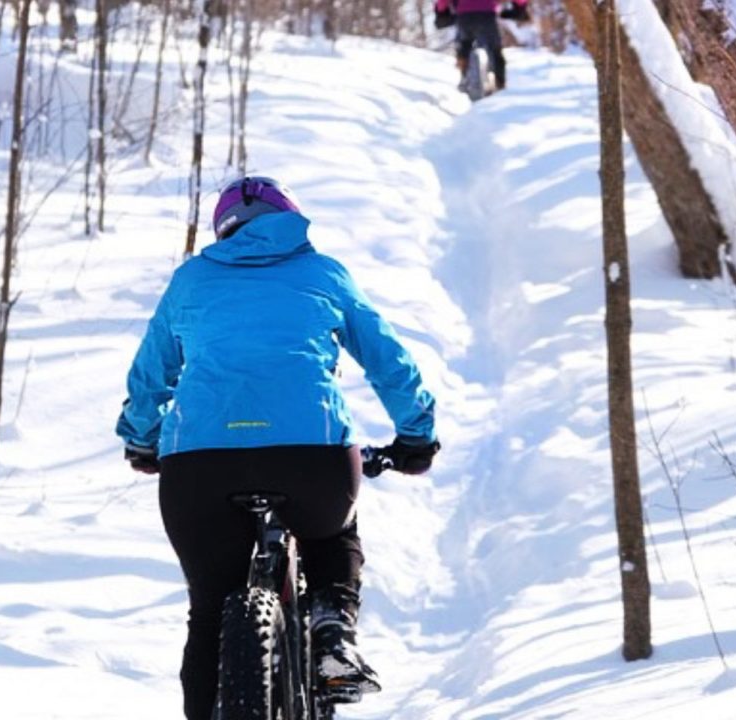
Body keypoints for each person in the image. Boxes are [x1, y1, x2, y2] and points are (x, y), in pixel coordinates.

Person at [115, 176, 441, 719]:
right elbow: (388, 361)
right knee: (332, 529)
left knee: (210, 615)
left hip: (199, 468)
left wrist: (141, 439)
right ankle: (332, 626)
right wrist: (415, 435)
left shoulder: (191, 280)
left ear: (223, 230)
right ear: (290, 218)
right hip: (311, 460)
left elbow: (151, 375)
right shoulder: (323, 274)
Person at [434, 0, 530, 93]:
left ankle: (464, 76)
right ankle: (500, 84)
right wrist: (520, 7)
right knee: (495, 50)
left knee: (464, 46)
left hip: (464, 16)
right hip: (487, 15)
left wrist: (441, 12)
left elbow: (442, 3)